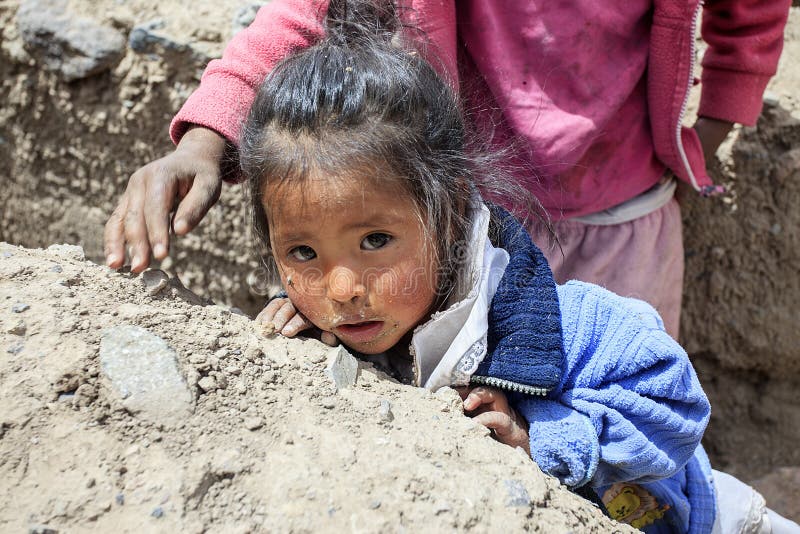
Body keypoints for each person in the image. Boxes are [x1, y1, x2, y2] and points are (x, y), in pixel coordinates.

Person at [237, 3, 798, 532]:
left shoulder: (573, 323)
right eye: (303, 253)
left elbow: (676, 406)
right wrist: (297, 328)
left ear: (450, 215)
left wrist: (542, 436)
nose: (341, 289)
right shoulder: (359, 313)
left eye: (375, 240)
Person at [103, 0, 791, 340]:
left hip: (624, 216)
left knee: (615, 392)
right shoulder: (433, 236)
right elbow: (306, 13)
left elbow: (752, 16)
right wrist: (202, 142)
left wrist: (712, 128)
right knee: (466, 404)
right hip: (462, 224)